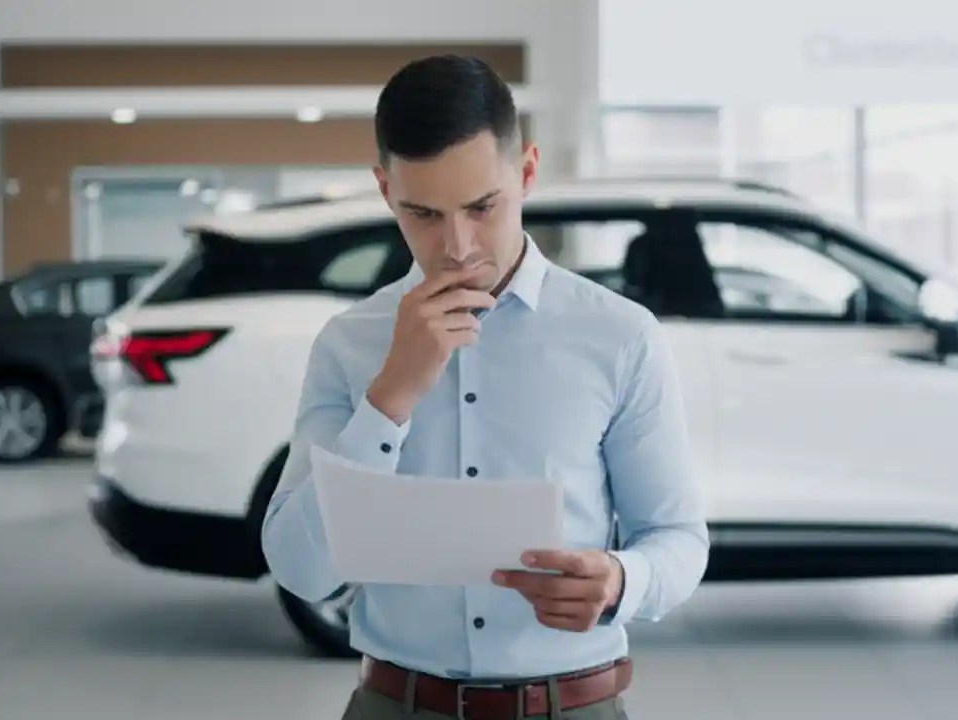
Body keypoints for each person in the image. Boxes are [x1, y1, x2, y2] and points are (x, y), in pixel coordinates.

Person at [261, 54, 710, 720]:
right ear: (386, 192)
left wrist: (621, 580)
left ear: (526, 172)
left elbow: (677, 538)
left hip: (573, 704)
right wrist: (390, 398)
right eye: (423, 214)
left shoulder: (620, 337)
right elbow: (302, 570)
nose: (458, 246)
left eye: (482, 207)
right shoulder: (350, 344)